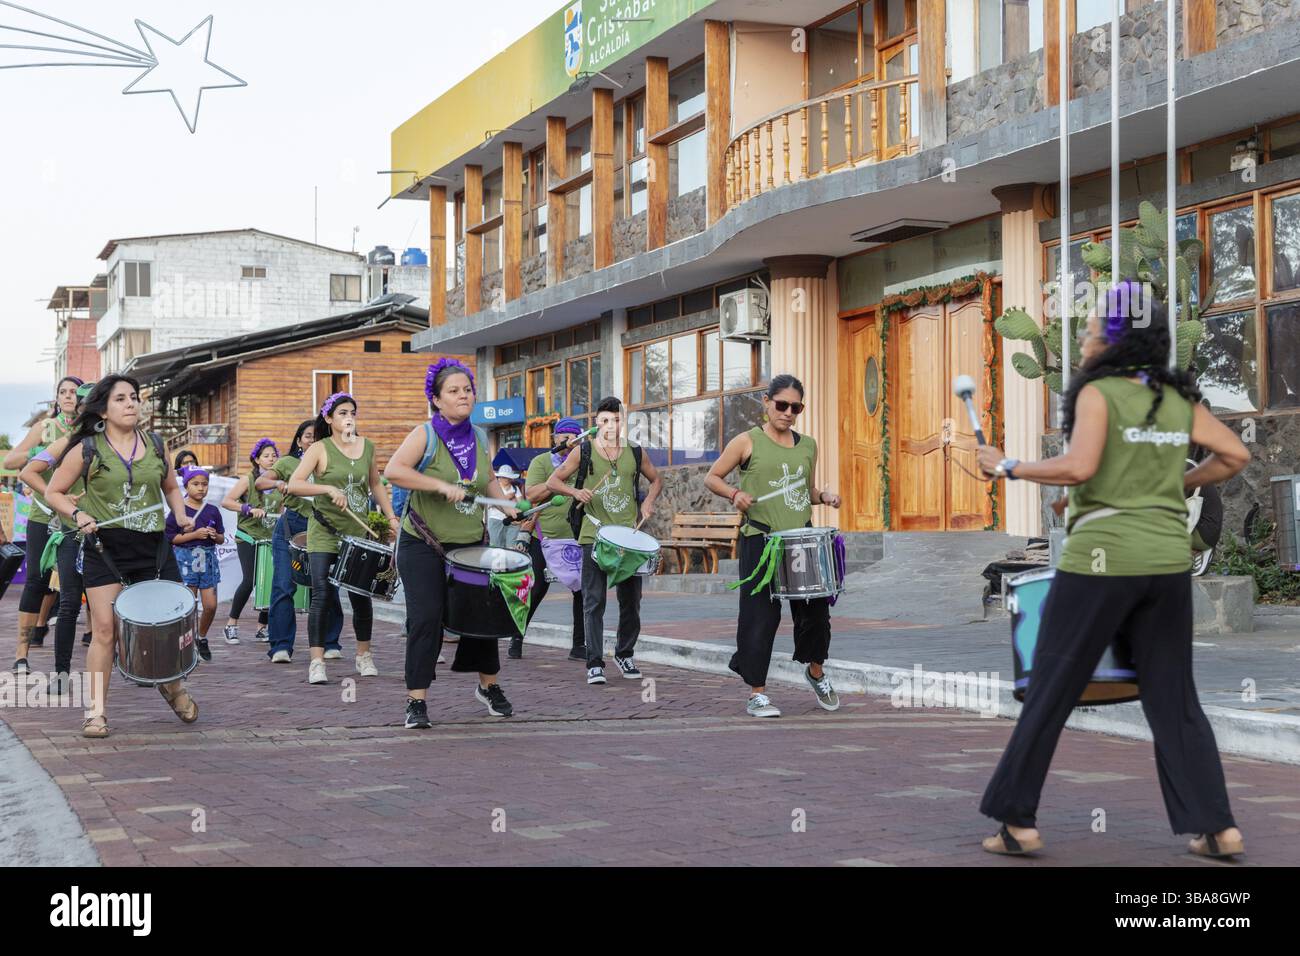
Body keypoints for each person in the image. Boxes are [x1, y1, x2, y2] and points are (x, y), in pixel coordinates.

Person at [975, 290, 1250, 860]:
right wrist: (1178, 485)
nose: (1082, 337)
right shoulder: (1174, 399)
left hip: (1102, 563)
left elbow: (1080, 465)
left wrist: (1008, 465)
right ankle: (1218, 827)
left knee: (1051, 687)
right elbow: (1233, 455)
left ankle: (1017, 822)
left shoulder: (1101, 393)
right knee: (1174, 700)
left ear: (1115, 339)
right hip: (1167, 565)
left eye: (1092, 328)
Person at [44, 375, 199, 738]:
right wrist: (78, 515)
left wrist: (179, 514)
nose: (131, 404)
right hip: (105, 547)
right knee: (104, 630)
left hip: (152, 547)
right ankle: (95, 713)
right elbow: (54, 491)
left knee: (168, 625)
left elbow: (171, 486)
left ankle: (171, 687)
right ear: (103, 408)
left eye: (134, 397)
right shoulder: (87, 448)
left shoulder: (157, 444)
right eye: (120, 399)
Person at [386, 358, 519, 727]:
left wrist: (509, 507)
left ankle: (488, 687)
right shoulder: (425, 435)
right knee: (426, 619)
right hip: (423, 544)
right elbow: (393, 470)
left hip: (471, 544)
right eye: (454, 391)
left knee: (484, 617)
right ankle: (416, 700)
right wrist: (440, 485)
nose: (464, 395)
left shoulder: (478, 435)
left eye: (467, 389)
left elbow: (487, 481)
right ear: (437, 399)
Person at [704, 374, 843, 717]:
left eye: (795, 407)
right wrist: (735, 494)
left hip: (801, 539)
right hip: (761, 539)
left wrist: (823, 496)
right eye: (781, 405)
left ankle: (815, 672)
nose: (788, 412)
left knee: (815, 614)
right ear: (766, 403)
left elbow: (804, 490)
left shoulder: (808, 444)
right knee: (760, 617)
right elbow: (712, 477)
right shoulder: (746, 441)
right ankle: (757, 693)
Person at [546, 396, 662, 685]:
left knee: (631, 601)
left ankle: (624, 653)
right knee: (594, 600)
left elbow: (657, 480)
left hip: (629, 537)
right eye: (605, 420)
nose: (611, 425)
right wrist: (576, 493)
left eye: (617, 419)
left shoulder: (635, 452)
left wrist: (648, 501)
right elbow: (553, 482)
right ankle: (594, 662)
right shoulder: (584, 451)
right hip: (593, 534)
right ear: (597, 423)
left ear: (623, 421)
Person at [287, 393, 397, 686]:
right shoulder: (319, 448)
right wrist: (325, 489)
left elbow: (375, 483)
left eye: (352, 412)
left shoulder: (368, 447)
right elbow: (294, 484)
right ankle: (317, 661)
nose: (349, 417)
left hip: (358, 533)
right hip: (324, 531)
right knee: (322, 594)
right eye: (342, 412)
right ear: (328, 419)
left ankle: (364, 655)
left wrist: (391, 518)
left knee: (361, 595)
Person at [18, 382, 97, 687]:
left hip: (108, 529)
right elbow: (23, 468)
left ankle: (128, 661)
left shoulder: (123, 442)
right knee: (66, 601)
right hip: (67, 527)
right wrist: (58, 497)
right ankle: (56, 670)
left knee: (106, 601)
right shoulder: (64, 438)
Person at [4, 376, 81, 667]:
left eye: (73, 392)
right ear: (56, 398)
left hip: (77, 514)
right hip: (43, 512)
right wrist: (37, 453)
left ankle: (97, 647)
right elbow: (11, 462)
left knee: (80, 582)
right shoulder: (45, 427)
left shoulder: (90, 429)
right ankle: (21, 654)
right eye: (62, 392)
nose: (68, 396)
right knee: (36, 579)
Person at [256, 421, 342, 662]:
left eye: (317, 436)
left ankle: (331, 642)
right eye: (307, 436)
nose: (312, 440)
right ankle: (281, 646)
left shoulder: (332, 462)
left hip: (325, 528)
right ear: (299, 441)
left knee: (326, 587)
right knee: (284, 585)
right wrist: (277, 483)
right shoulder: (287, 463)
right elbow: (260, 482)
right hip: (292, 527)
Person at [520, 417, 588, 662]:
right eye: (564, 436)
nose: (568, 440)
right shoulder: (541, 461)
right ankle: (517, 637)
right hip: (544, 536)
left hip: (577, 536)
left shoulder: (584, 461)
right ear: (555, 438)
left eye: (574, 437)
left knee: (583, 591)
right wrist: (558, 479)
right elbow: (532, 494)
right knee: (538, 588)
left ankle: (579, 645)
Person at [220, 438, 281, 644]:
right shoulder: (248, 480)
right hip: (247, 536)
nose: (271, 459)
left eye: (274, 455)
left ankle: (262, 627)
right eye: (266, 456)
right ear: (256, 459)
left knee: (271, 581)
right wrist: (247, 509)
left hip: (270, 538)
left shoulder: (279, 483)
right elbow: (227, 501)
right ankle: (231, 624)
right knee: (251, 580)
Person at [166, 467, 224, 662]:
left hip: (207, 560)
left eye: (205, 484)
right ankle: (186, 644)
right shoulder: (178, 510)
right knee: (188, 606)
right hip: (185, 560)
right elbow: (171, 538)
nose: (201, 488)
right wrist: (194, 535)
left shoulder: (212, 510)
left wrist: (215, 536)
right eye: (196, 484)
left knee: (210, 604)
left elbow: (222, 538)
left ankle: (202, 636)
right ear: (186, 485)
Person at [485, 465, 522, 550]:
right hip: (496, 519)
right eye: (503, 477)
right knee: (496, 548)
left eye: (508, 477)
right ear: (499, 477)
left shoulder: (515, 489)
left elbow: (520, 504)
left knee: (511, 547)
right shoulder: (494, 488)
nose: (506, 479)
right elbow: (490, 503)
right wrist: (507, 498)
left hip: (512, 520)